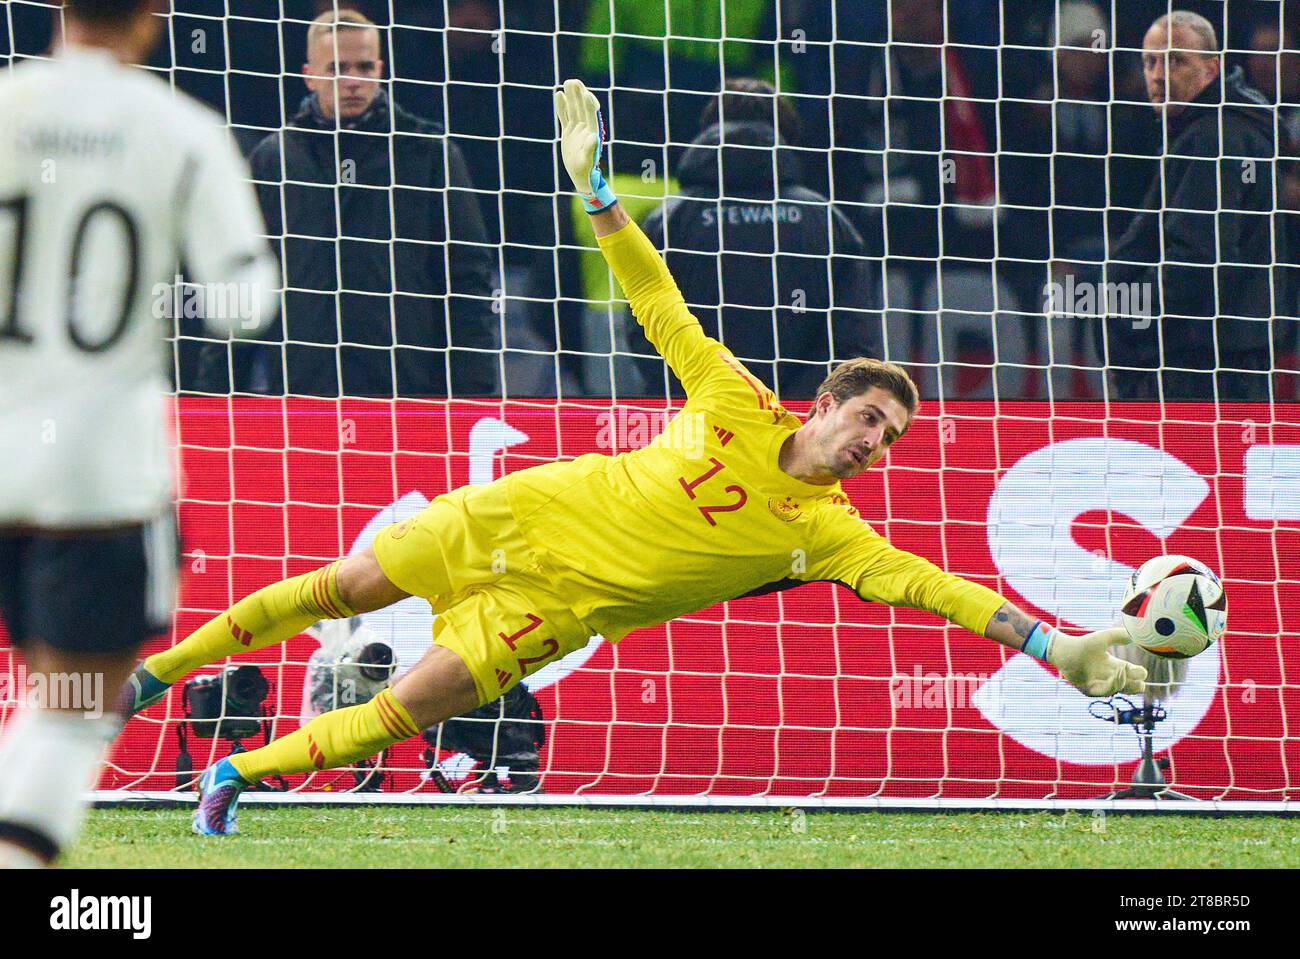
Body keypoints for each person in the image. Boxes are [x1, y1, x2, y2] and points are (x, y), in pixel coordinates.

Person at [120, 79, 1146, 836]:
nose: (874, 444)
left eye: (889, 438)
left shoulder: (832, 535)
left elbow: (944, 591)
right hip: (513, 515)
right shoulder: (734, 397)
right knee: (341, 586)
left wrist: (1056, 649)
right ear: (826, 401)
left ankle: (238, 776)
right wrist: (598, 191)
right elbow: (658, 299)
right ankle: (153, 673)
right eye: (871, 417)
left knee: (405, 707)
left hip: (547, 613)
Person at [0, 0, 278, 865]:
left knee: (51, 694)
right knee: (74, 702)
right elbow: (246, 305)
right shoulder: (179, 129)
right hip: (100, 479)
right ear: (154, 17)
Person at [198, 9, 496, 398]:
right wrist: (215, 395)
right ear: (309, 74)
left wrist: (473, 395)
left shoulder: (429, 156)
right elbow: (240, 279)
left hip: (409, 394)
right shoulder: (273, 160)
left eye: (364, 66)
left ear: (380, 69)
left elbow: (467, 280)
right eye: (337, 68)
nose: (352, 80)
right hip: (302, 394)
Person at [637, 78, 875, 401]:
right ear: (786, 138)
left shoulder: (669, 219)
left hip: (697, 422)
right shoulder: (826, 221)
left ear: (708, 133)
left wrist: (708, 403)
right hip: (796, 426)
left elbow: (643, 333)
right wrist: (788, 408)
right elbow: (853, 340)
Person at [1102, 10, 1280, 401]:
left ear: (1211, 70)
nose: (1159, 75)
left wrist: (1129, 316)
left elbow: (1198, 261)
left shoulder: (1213, 137)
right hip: (1223, 361)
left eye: (1175, 60)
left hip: (1199, 371)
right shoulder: (1218, 127)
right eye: (1150, 61)